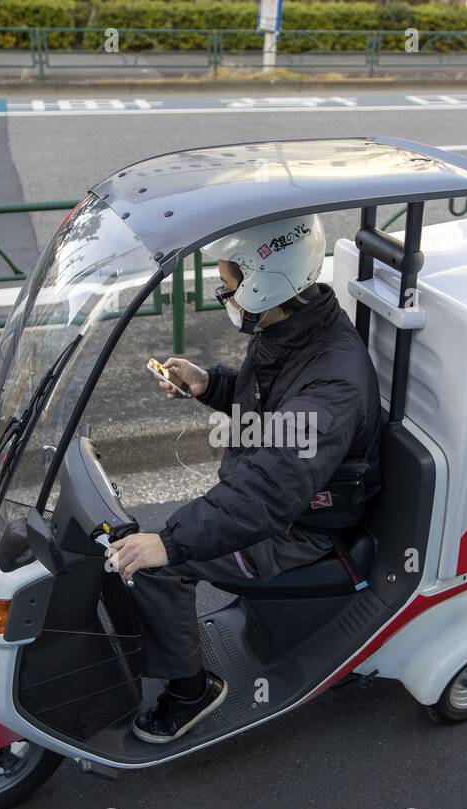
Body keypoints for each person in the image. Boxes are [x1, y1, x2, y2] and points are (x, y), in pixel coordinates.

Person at [107, 213, 383, 744]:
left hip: (298, 529)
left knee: (160, 564)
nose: (223, 291)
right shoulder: (291, 327)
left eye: (228, 282)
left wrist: (170, 544)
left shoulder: (333, 381)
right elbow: (270, 406)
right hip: (277, 497)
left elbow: (273, 486)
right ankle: (162, 639)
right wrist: (210, 385)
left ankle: (192, 695)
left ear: (264, 281)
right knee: (149, 542)